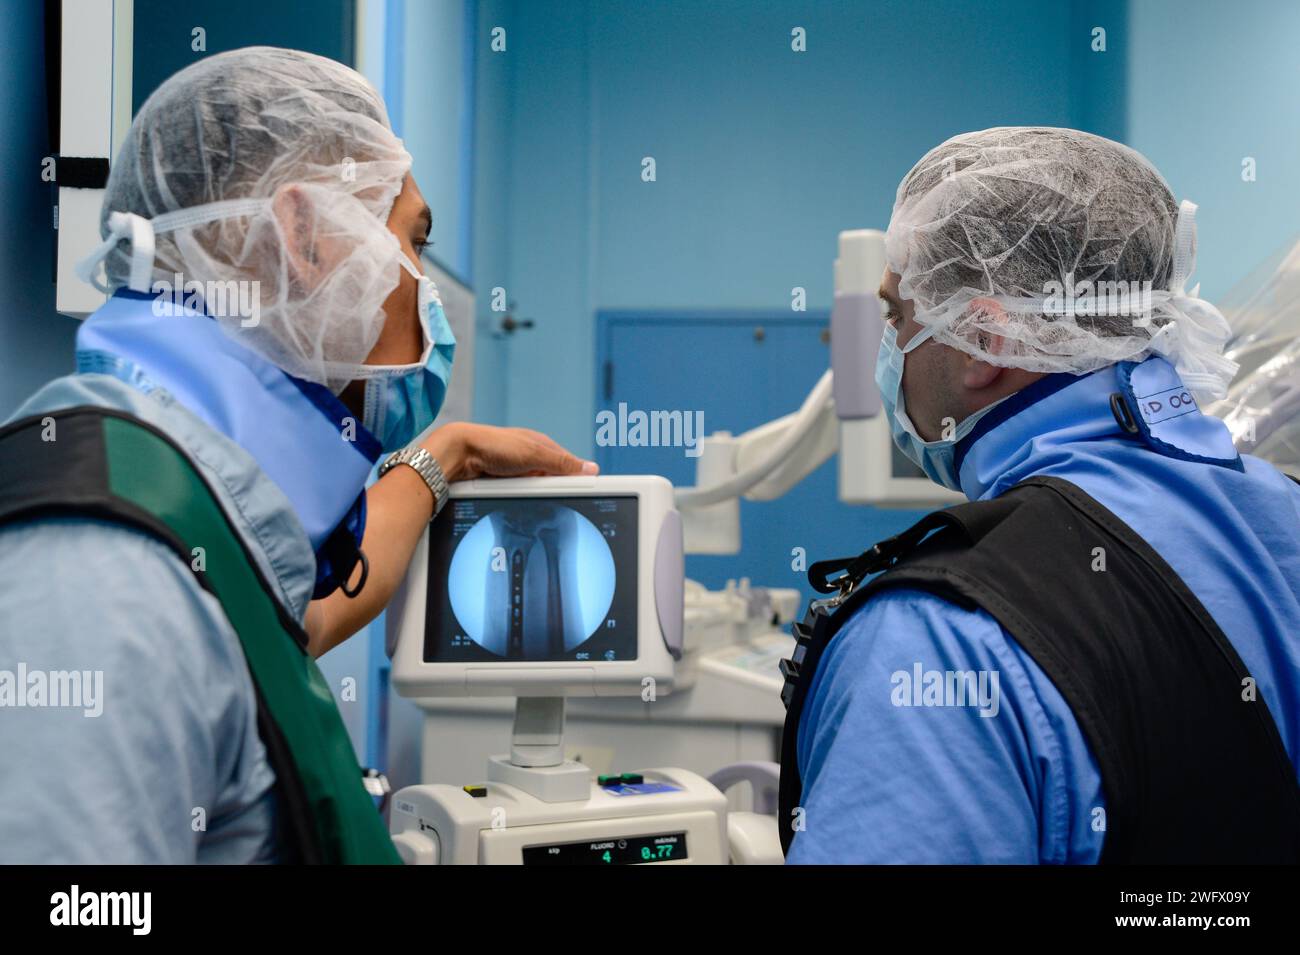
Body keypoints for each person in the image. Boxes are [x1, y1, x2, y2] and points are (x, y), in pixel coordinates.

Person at [0, 47, 595, 863]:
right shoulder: (103, 576)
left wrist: (442, 457)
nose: (426, 293)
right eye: (411, 243)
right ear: (307, 236)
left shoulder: (185, 508)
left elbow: (291, 617)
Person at [784, 127, 1300, 863]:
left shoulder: (941, 637)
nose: (889, 350)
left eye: (898, 318)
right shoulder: (1280, 513)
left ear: (984, 344)